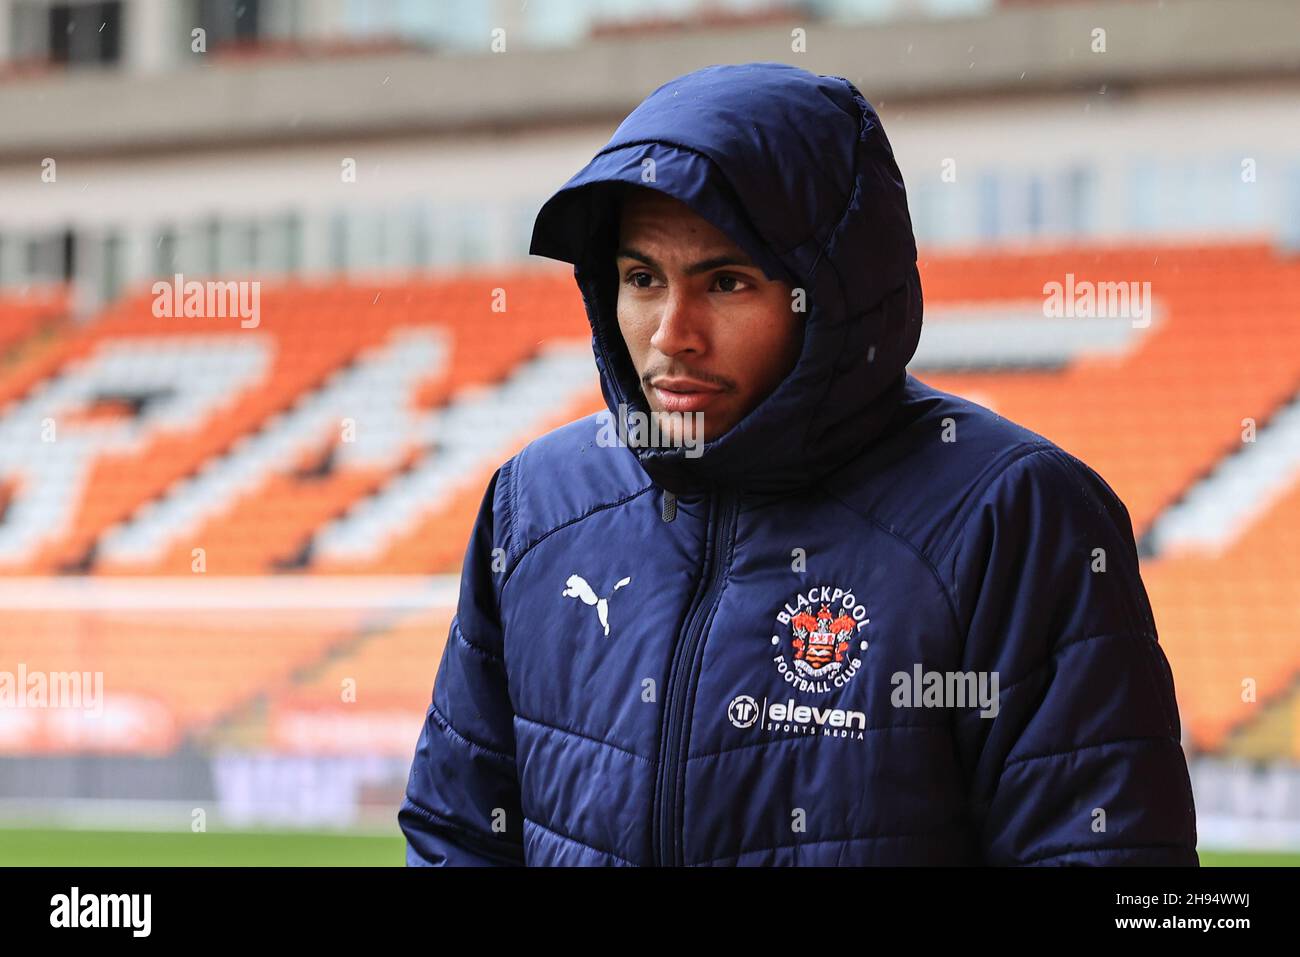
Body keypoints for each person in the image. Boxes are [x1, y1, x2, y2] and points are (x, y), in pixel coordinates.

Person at [399, 61, 1198, 866]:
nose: (673, 331)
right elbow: (458, 832)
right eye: (642, 278)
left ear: (835, 293)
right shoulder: (537, 503)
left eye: (728, 282)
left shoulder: (1013, 514)